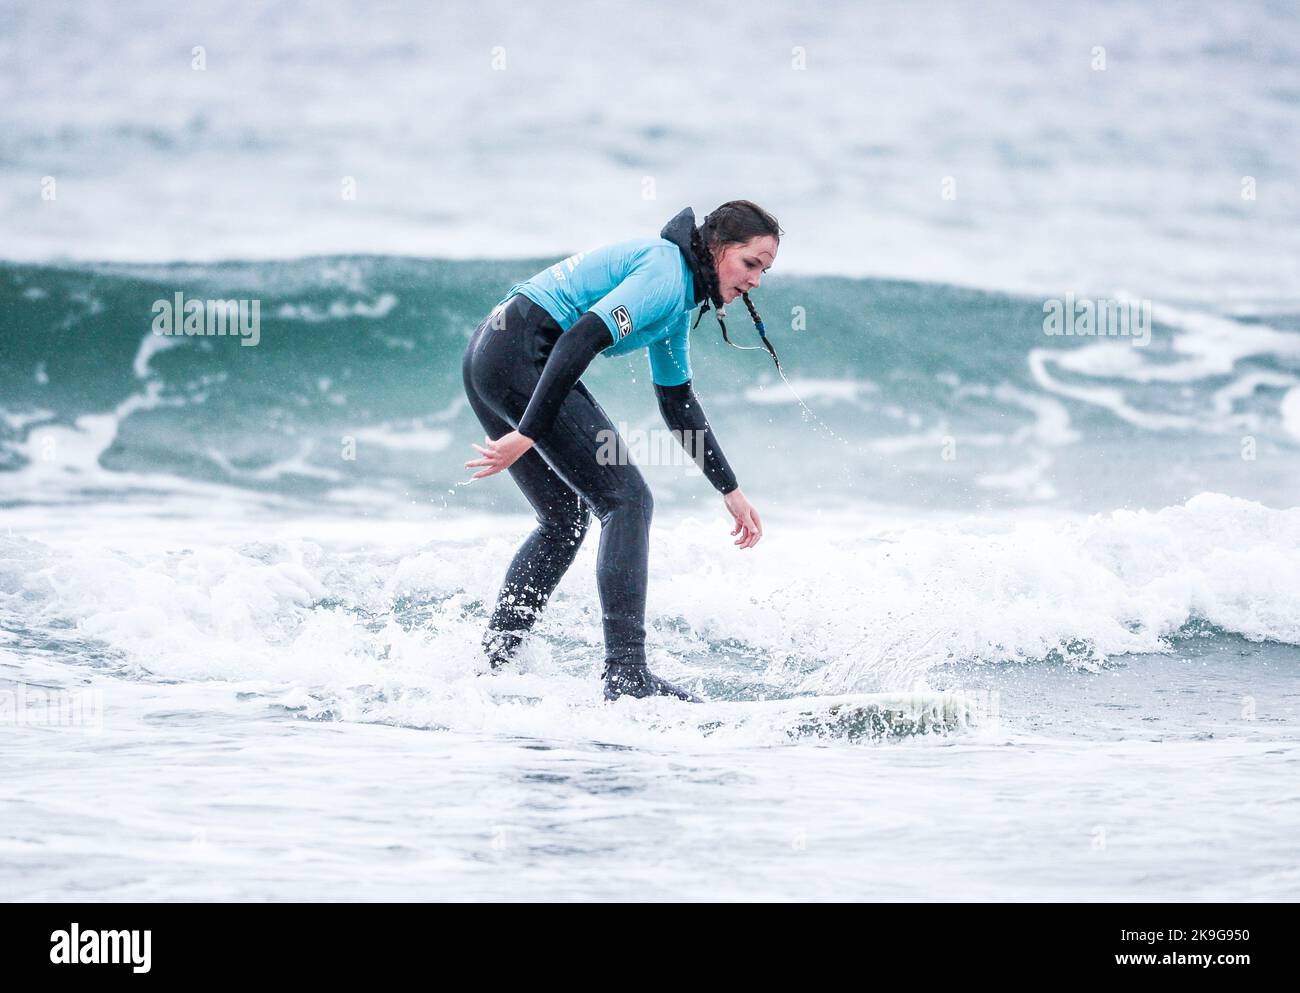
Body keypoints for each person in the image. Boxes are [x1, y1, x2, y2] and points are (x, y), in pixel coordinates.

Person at [461, 201, 782, 701]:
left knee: (565, 518)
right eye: (751, 263)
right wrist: (529, 431)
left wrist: (731, 490)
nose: (756, 281)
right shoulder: (664, 276)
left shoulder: (677, 297)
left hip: (492, 353)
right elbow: (579, 339)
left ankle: (495, 664)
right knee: (627, 501)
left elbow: (677, 404)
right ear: (718, 247)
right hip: (521, 353)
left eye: (764, 270)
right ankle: (627, 673)